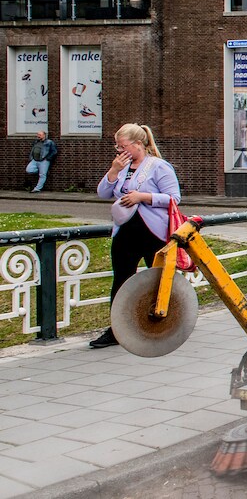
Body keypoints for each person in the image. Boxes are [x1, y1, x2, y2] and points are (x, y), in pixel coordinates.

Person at [93, 124, 181, 349]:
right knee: (121, 279)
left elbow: (173, 198)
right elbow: (103, 192)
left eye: (124, 146)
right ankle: (117, 328)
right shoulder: (121, 167)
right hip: (125, 232)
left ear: (138, 144)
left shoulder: (158, 166)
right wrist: (113, 171)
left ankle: (164, 321)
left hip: (153, 232)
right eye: (118, 147)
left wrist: (143, 196)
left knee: (158, 278)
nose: (120, 151)